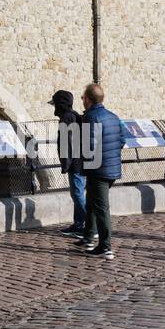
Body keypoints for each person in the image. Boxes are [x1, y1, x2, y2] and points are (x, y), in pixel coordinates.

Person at [73, 83, 125, 260]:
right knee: (92, 202)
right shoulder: (113, 116)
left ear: (87, 99)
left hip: (98, 170)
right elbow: (122, 139)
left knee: (101, 207)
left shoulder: (91, 117)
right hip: (111, 167)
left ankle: (105, 246)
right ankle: (88, 237)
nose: (82, 100)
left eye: (82, 98)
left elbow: (89, 147)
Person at [50, 90, 85, 238]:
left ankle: (89, 226)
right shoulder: (75, 115)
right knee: (78, 193)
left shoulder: (66, 118)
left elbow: (66, 144)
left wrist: (65, 163)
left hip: (75, 163)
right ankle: (79, 224)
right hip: (81, 160)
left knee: (77, 194)